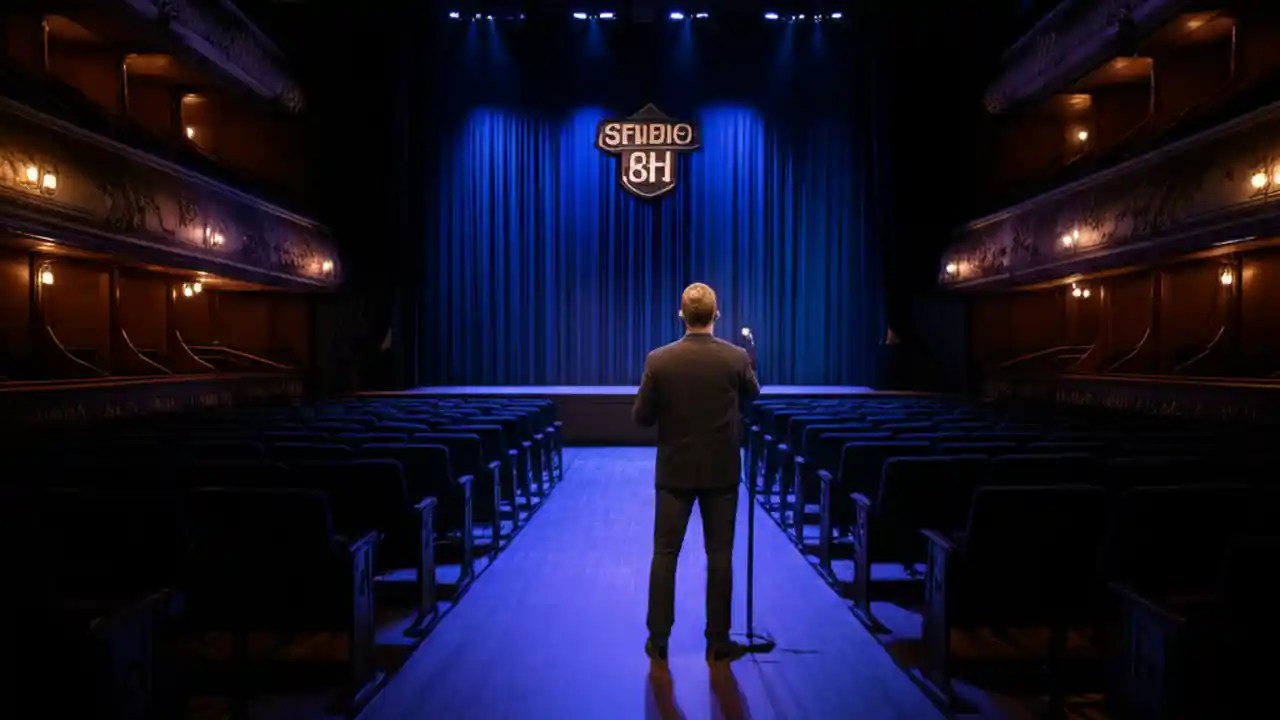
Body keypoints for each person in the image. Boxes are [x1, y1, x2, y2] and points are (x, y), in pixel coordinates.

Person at [633, 282, 760, 663]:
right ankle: (718, 640)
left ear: (681, 315)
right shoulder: (736, 358)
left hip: (675, 474)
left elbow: (642, 418)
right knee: (720, 555)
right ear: (716, 315)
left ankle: (658, 640)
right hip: (722, 474)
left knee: (665, 554)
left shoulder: (659, 360)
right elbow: (753, 395)